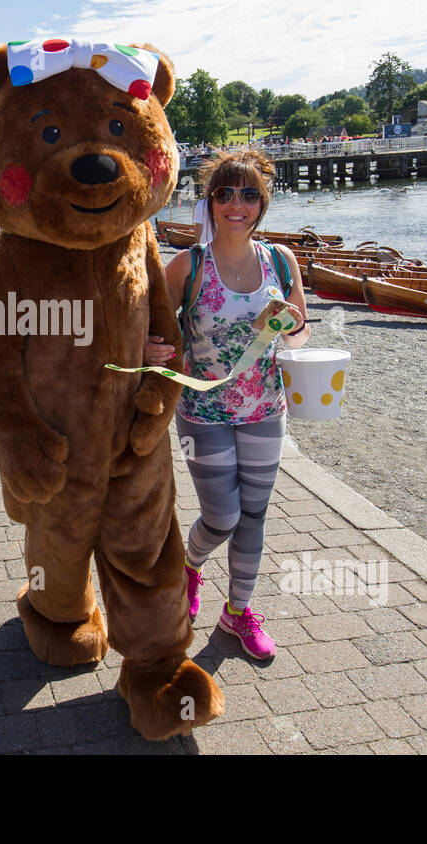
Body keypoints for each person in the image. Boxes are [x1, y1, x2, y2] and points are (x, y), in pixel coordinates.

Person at [146, 149, 311, 661]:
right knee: (223, 517)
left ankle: (238, 613)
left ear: (262, 202)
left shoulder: (281, 261)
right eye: (225, 194)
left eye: (248, 194)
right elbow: (155, 328)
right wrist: (150, 348)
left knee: (254, 516)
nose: (236, 204)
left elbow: (301, 341)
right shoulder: (187, 264)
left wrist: (291, 323)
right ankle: (189, 566)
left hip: (265, 409)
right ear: (210, 202)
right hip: (204, 414)